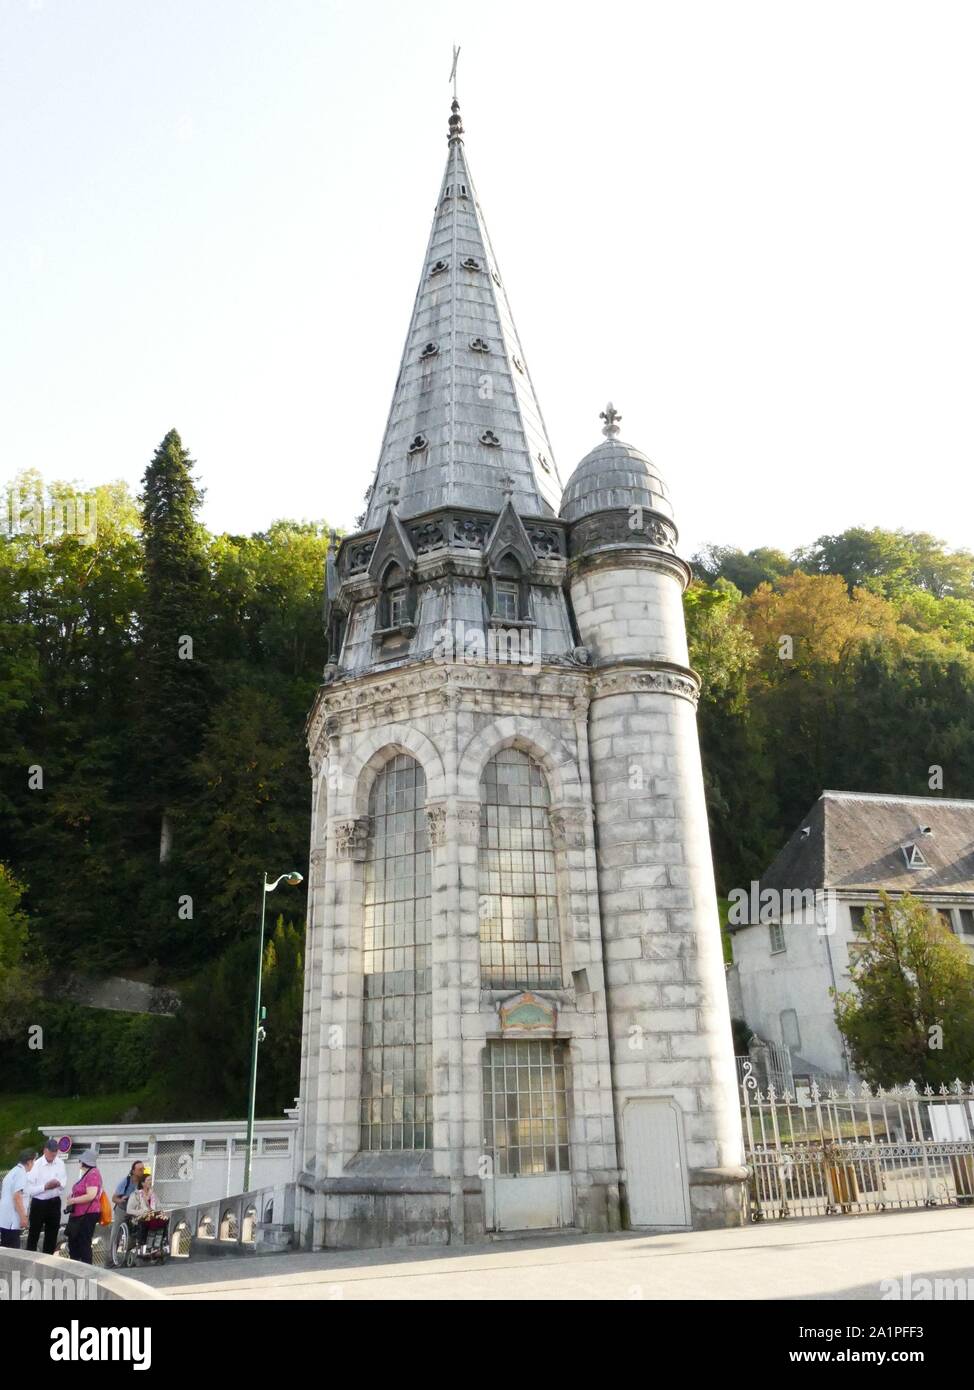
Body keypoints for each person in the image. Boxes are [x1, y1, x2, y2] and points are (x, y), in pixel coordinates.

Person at [26, 1136, 67, 1255]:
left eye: (55, 1154)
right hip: (39, 1202)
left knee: (52, 1233)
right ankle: (30, 1256)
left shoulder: (60, 1163)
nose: (53, 1157)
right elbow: (30, 1190)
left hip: (54, 1201)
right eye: (51, 1154)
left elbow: (63, 1182)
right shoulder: (36, 1165)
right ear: (45, 1150)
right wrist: (45, 1187)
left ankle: (48, 1256)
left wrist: (58, 1184)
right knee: (34, 1232)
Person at [63, 1149, 103, 1264]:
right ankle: (78, 1266)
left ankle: (84, 1268)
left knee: (83, 1242)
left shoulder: (93, 1173)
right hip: (80, 1213)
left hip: (87, 1214)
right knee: (75, 1242)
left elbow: (91, 1195)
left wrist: (73, 1200)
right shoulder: (88, 1173)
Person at [0, 1150, 35, 1248]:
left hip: (5, 1218)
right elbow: (17, 1196)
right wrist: (23, 1216)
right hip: (12, 1220)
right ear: (29, 1162)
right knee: (12, 1250)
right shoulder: (21, 1173)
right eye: (33, 1161)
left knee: (5, 1248)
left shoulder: (13, 1171)